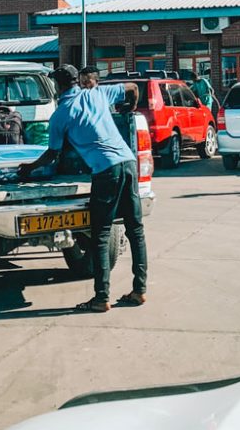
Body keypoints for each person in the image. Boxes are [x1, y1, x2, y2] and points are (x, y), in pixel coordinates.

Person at [17, 64, 148, 312]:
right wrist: (128, 108)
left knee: (100, 235)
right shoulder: (97, 93)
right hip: (129, 163)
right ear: (77, 80)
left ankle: (101, 298)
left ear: (58, 85)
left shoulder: (61, 114)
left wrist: (28, 168)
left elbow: (52, 154)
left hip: (105, 171)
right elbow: (132, 88)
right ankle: (139, 290)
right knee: (135, 230)